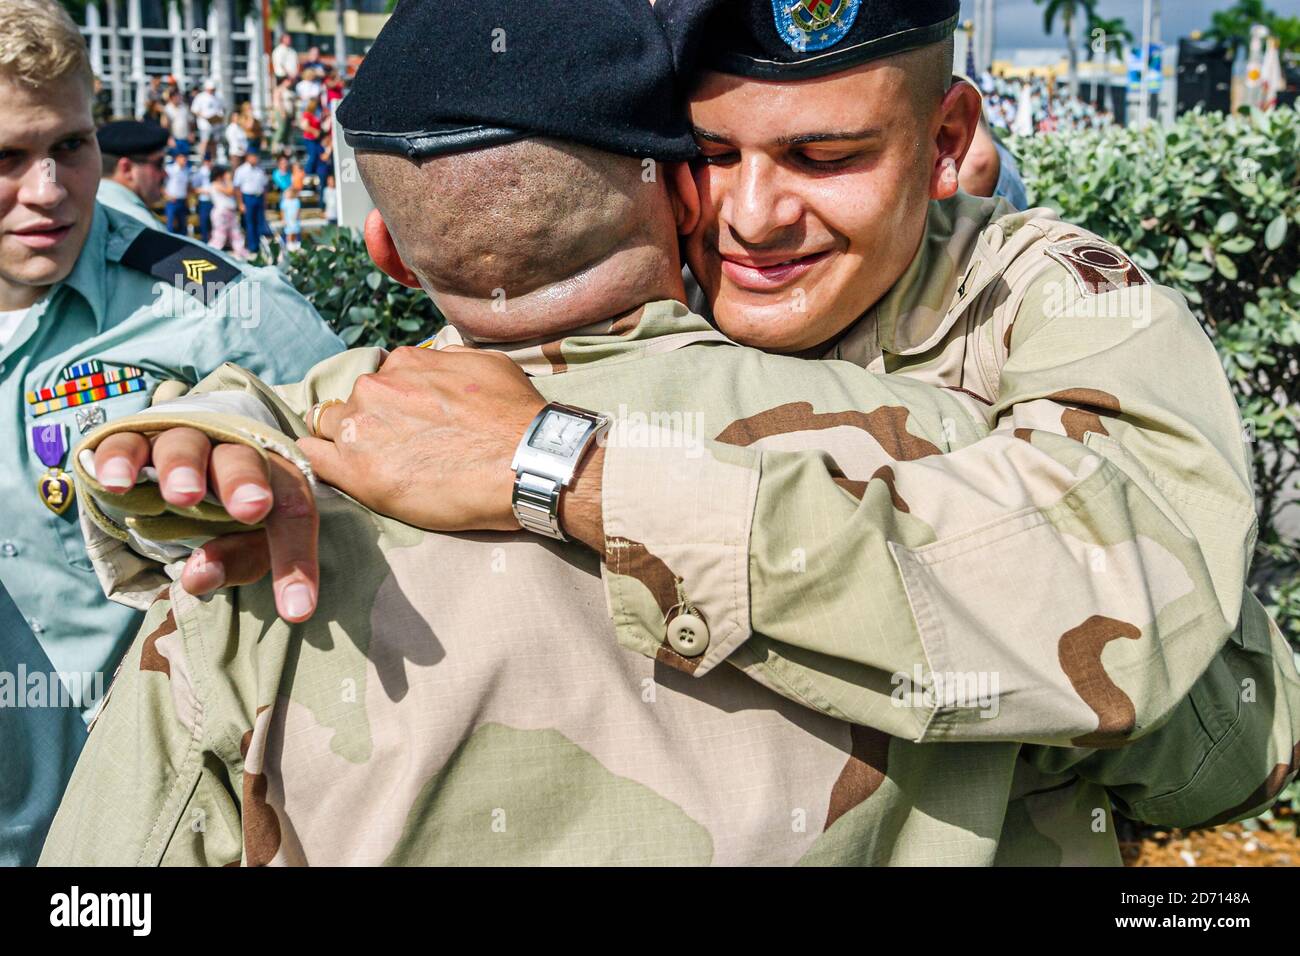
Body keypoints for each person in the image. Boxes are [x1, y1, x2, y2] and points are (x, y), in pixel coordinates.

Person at [47, 0, 1300, 867]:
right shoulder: (334, 450)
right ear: (664, 183)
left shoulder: (1042, 315)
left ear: (952, 146)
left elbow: (1165, 660)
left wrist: (560, 466)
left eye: (825, 155)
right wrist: (222, 432)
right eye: (712, 158)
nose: (755, 216)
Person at [0, 0, 344, 868]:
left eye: (70, 147)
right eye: (7, 158)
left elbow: (353, 468)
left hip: (145, 822)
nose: (48, 191)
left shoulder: (211, 303)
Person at [94, 119, 168, 227]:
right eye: (159, 164)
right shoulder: (141, 224)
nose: (165, 174)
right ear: (127, 168)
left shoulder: (82, 212)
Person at [207, 163, 246, 258]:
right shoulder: (215, 184)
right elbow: (230, 191)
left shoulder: (223, 184)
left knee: (236, 233)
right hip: (221, 213)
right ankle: (211, 253)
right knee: (220, 235)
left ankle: (240, 252)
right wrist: (228, 180)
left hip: (230, 212)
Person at [233, 149, 269, 247]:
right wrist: (240, 203)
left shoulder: (261, 169)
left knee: (260, 222)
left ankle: (260, 245)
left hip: (259, 197)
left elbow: (265, 186)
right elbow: (237, 188)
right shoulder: (241, 170)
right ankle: (252, 246)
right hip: (248, 197)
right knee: (250, 223)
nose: (255, 159)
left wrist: (265, 200)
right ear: (248, 157)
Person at [190, 79, 224, 161]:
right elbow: (194, 110)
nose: (212, 91)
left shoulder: (218, 97)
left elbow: (221, 109)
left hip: (215, 124)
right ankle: (202, 159)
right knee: (204, 142)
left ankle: (213, 160)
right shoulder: (200, 97)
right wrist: (204, 116)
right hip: (205, 125)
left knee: (214, 143)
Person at [161, 149, 191, 234]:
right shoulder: (169, 169)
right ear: (177, 158)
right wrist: (168, 196)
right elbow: (160, 184)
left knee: (183, 227)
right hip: (172, 201)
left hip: (182, 201)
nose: (185, 159)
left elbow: (187, 186)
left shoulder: (186, 170)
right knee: (170, 226)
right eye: (183, 157)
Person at [162, 88, 191, 156]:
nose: (179, 97)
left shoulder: (184, 107)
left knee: (185, 160)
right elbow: (164, 126)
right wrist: (169, 138)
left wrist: (190, 133)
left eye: (179, 95)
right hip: (174, 139)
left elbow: (189, 121)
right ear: (172, 97)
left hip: (185, 138)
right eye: (177, 96)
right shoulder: (167, 109)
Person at [192, 154, 214, 243]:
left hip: (213, 200)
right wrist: (203, 191)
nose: (209, 163)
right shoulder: (200, 173)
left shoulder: (213, 171)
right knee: (204, 222)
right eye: (207, 161)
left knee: (212, 223)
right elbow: (194, 188)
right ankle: (205, 240)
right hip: (204, 200)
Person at [279, 184, 301, 251]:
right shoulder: (284, 202)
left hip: (295, 220)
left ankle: (296, 243)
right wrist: (283, 219)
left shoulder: (296, 201)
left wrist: (297, 216)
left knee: (295, 231)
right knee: (289, 232)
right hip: (288, 220)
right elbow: (282, 211)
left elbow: (298, 210)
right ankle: (289, 244)